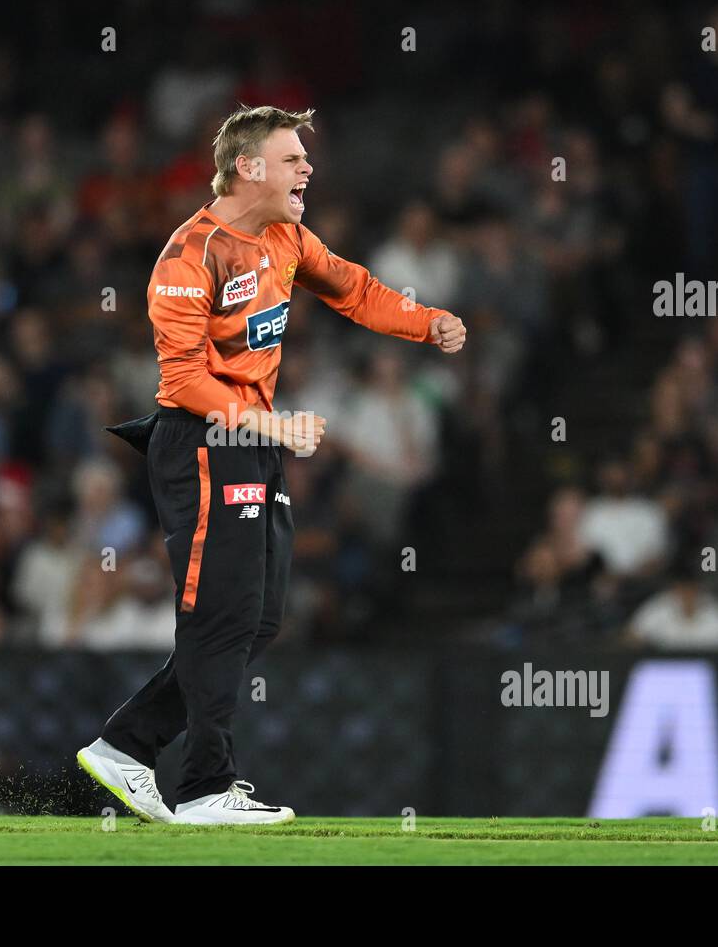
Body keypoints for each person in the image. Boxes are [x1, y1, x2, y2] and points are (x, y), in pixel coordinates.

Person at [77, 105, 466, 825]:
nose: (307, 169)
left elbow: (352, 287)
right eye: (293, 159)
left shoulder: (284, 235)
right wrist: (268, 420)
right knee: (219, 614)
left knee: (259, 618)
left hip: (249, 440)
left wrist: (426, 321)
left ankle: (126, 746)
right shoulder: (188, 256)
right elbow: (184, 380)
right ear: (248, 168)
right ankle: (204, 788)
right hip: (199, 441)